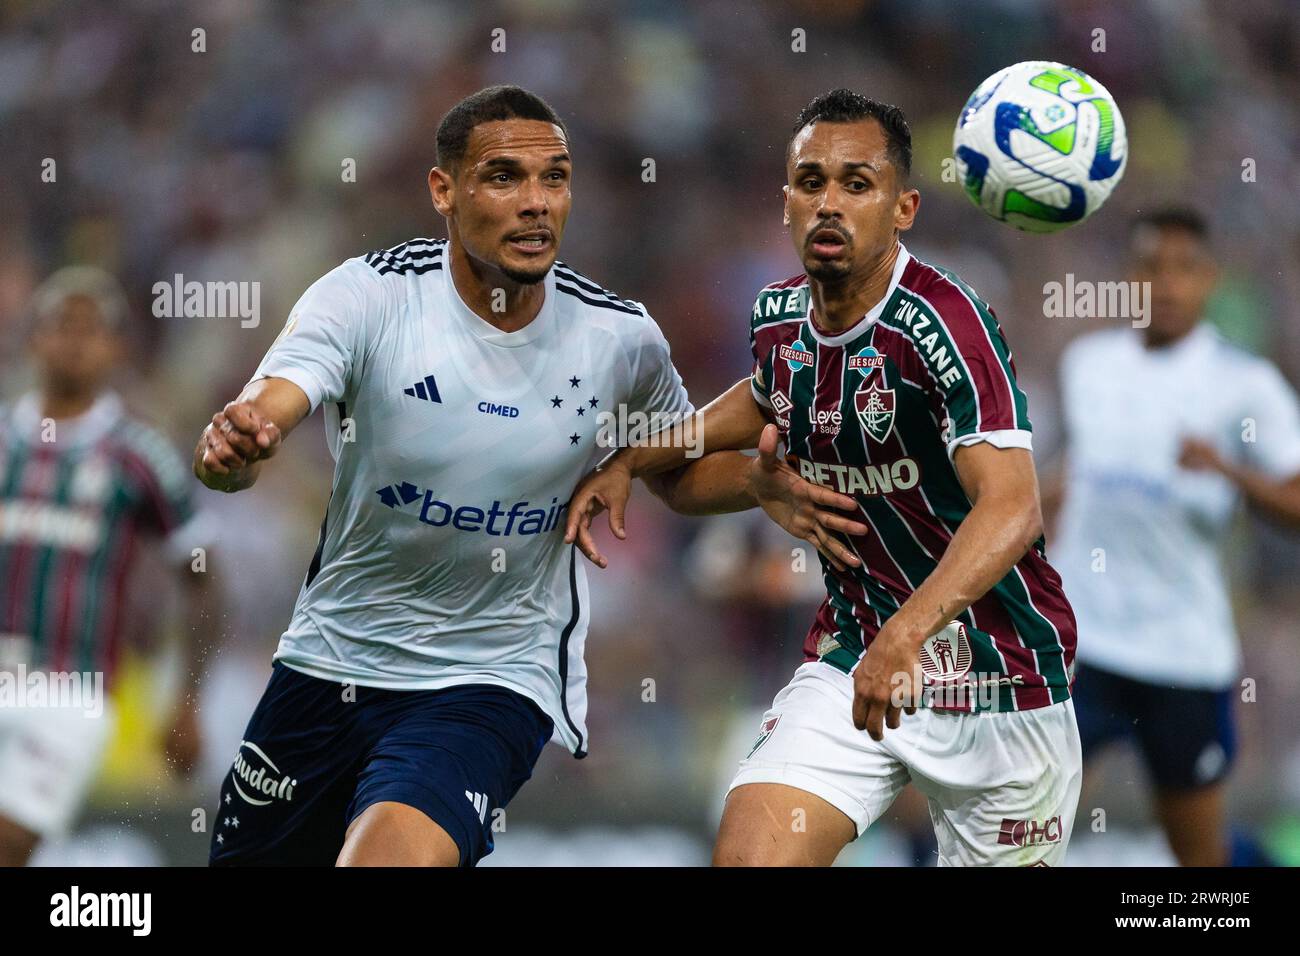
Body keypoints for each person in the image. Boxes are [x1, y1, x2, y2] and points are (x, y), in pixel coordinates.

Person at [568, 89, 1080, 866]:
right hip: (853, 657)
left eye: (856, 183)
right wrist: (631, 458)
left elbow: (1013, 508)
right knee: (749, 856)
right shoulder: (776, 316)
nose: (829, 203)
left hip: (998, 679)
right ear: (786, 203)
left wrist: (907, 637)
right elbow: (757, 401)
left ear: (903, 207)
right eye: (811, 183)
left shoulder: (947, 321)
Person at [196, 85, 691, 867]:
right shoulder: (370, 295)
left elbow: (686, 469)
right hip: (332, 661)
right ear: (444, 192)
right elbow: (271, 404)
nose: (537, 204)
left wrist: (756, 482)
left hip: (492, 675)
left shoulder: (619, 340)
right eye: (504, 177)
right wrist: (244, 437)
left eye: (555, 179)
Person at [1047, 207, 1300, 866]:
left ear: (1209, 278)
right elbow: (1075, 478)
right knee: (1022, 830)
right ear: (1127, 277)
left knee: (1197, 862)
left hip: (1183, 654)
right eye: (1150, 266)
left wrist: (1230, 470)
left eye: (1184, 268)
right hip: (1083, 646)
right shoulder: (1088, 364)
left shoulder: (1245, 385)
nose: (1166, 283)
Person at [0, 266, 211, 866]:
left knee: (11, 840)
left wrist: (187, 699)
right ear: (32, 338)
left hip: (73, 687)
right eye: (60, 325)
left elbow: (201, 577)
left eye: (91, 329)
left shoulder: (138, 454)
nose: (74, 340)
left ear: (116, 348)